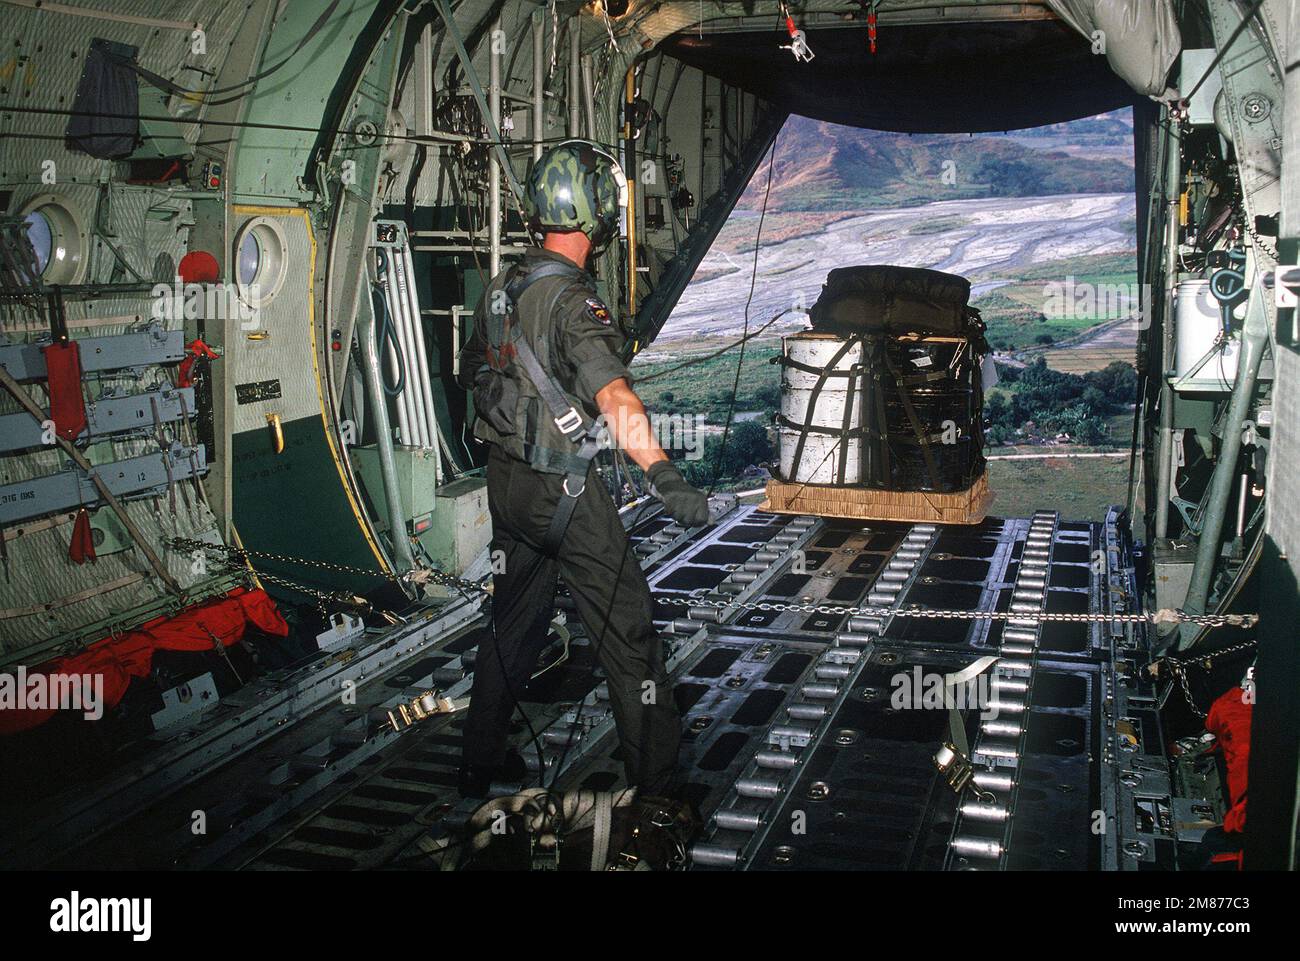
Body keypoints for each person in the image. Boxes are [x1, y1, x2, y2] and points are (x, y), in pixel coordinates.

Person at [455, 140, 709, 798]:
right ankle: (659, 793)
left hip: (506, 485)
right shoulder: (573, 304)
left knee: (513, 620)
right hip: (561, 493)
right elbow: (616, 398)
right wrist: (664, 476)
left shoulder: (501, 288)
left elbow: (474, 372)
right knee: (627, 629)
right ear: (593, 212)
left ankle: (479, 760)